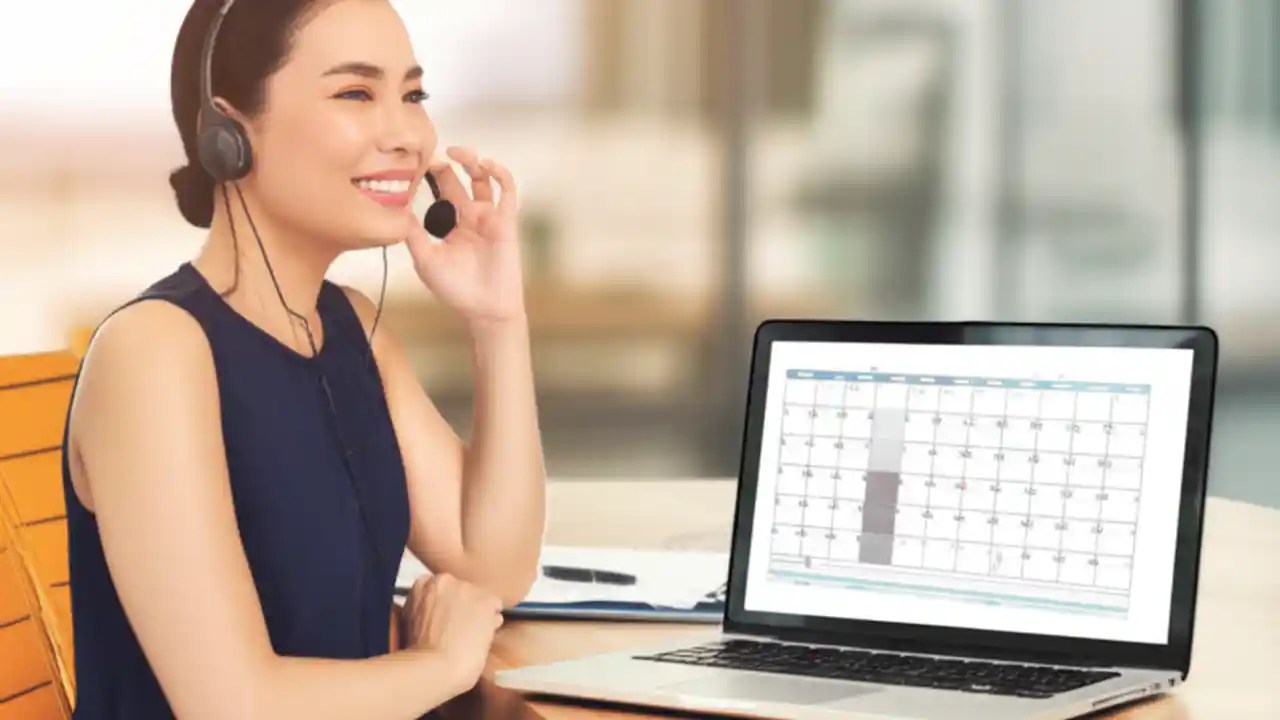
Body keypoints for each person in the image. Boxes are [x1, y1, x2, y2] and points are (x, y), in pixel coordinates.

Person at [59, 0, 546, 716]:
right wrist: (439, 665)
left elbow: (494, 563)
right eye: (355, 93)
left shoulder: (350, 330)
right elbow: (235, 706)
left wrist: (497, 318)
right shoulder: (154, 353)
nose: (406, 134)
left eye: (413, 95)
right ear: (228, 134)